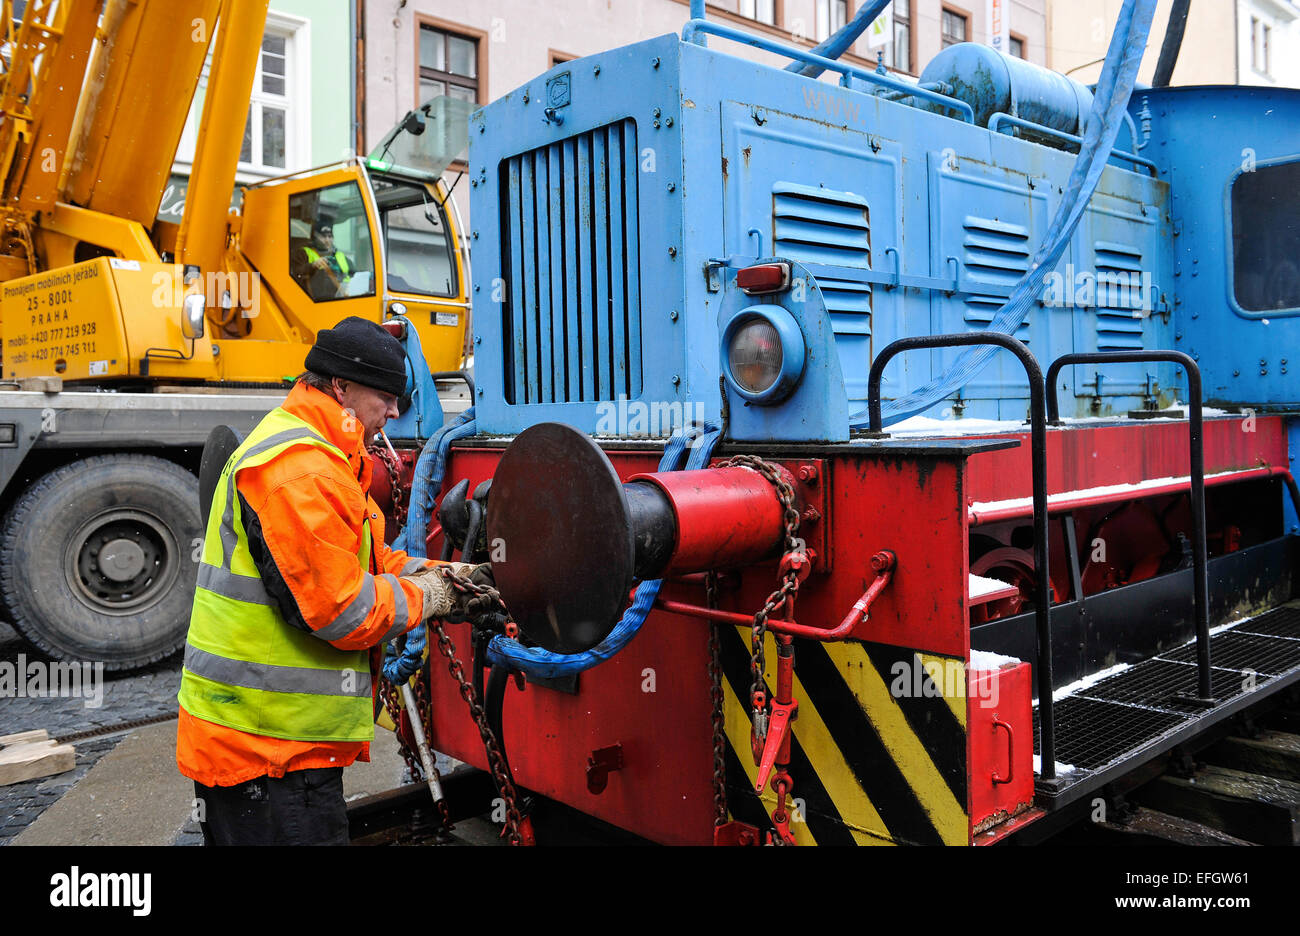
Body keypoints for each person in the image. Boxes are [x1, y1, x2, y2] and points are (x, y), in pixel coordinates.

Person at [176, 316, 479, 845]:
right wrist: (434, 597)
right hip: (268, 755)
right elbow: (345, 610)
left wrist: (444, 574)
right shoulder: (301, 470)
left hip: (270, 743)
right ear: (340, 386)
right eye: (385, 397)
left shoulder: (318, 451)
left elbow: (359, 560)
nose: (393, 411)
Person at [292, 214, 354, 300]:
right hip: (315, 303)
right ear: (314, 237)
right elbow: (295, 274)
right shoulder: (303, 253)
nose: (327, 240)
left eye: (330, 236)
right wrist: (313, 265)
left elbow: (354, 276)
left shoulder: (341, 256)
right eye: (323, 236)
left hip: (342, 301)